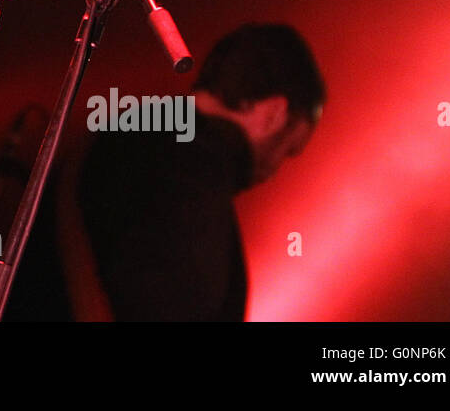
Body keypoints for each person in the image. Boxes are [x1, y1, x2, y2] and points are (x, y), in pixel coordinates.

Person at [72, 23, 325, 321]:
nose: (274, 171)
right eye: (289, 149)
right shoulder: (195, 167)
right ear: (274, 114)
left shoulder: (127, 133)